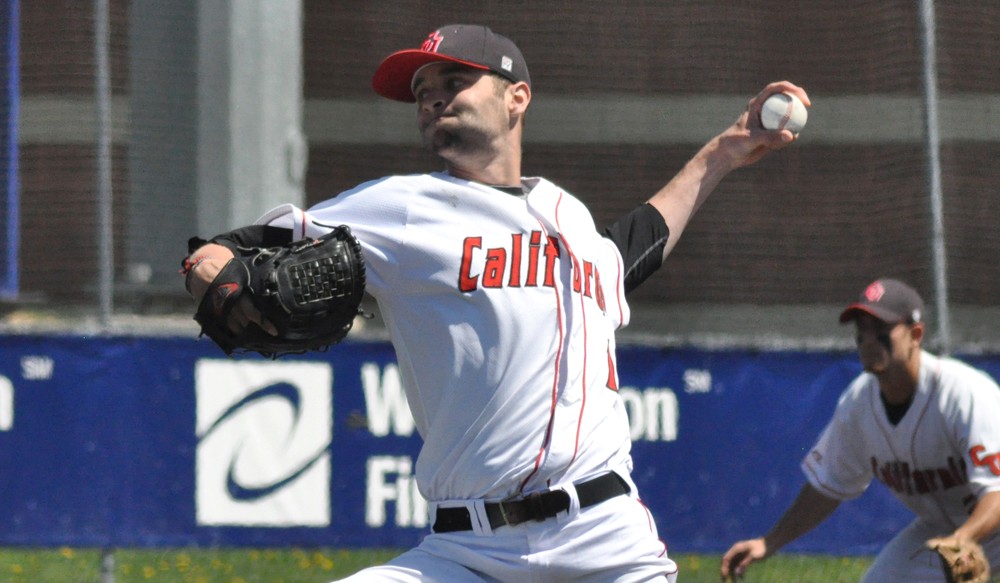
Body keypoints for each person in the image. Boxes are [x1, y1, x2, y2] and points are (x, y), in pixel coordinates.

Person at [184, 24, 807, 583]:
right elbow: (226, 251)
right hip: (464, 551)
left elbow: (631, 250)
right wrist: (212, 269)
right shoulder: (398, 208)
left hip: (604, 542)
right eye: (422, 89)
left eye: (454, 80)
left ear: (517, 98)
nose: (431, 96)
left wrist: (723, 152)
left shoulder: (570, 217)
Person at [720, 278, 1000, 582]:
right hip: (947, 532)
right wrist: (769, 542)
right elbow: (827, 486)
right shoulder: (859, 404)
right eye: (861, 330)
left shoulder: (964, 393)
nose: (868, 340)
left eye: (881, 330)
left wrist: (965, 538)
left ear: (915, 334)